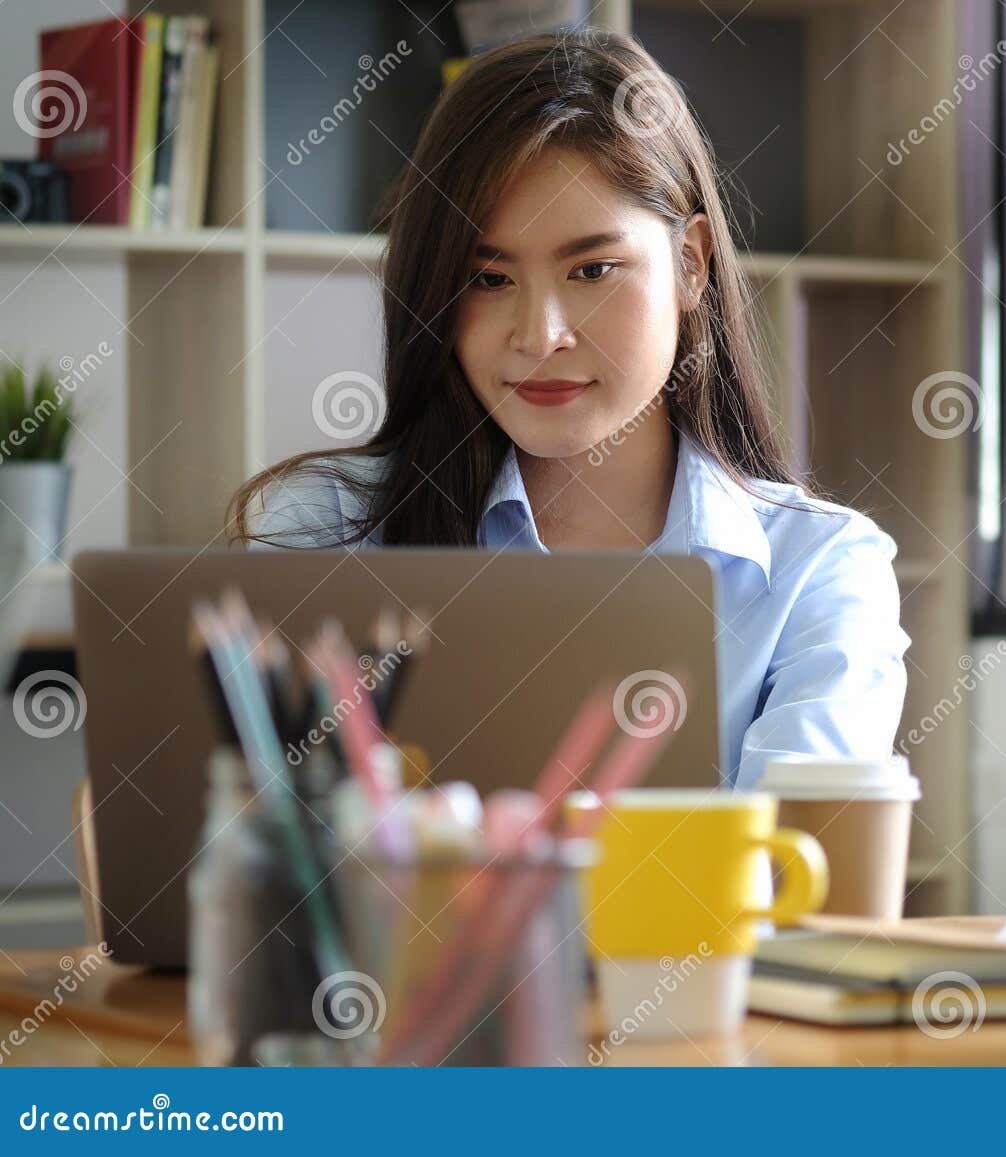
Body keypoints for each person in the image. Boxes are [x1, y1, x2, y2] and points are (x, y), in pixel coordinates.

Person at [227, 28, 910, 789]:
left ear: (691, 264)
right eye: (488, 279)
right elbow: (263, 871)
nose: (539, 335)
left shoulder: (818, 570)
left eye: (592, 269)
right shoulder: (323, 531)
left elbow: (792, 879)